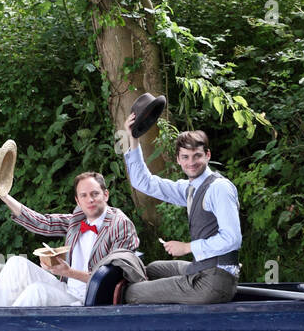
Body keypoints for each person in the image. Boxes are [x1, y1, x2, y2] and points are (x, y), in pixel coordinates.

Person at [98, 114, 241, 304]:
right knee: (152, 269)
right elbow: (144, 183)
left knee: (132, 293)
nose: (191, 162)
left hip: (214, 282)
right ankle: (156, 294)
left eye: (197, 156)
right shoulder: (191, 188)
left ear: (208, 155)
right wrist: (132, 139)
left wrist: (186, 247)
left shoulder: (218, 188)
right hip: (203, 268)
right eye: (185, 157)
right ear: (178, 160)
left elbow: (232, 239)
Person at [0, 169, 140, 307]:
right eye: (83, 196)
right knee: (17, 263)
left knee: (38, 291)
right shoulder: (78, 220)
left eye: (95, 194)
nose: (90, 200)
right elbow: (43, 223)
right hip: (67, 290)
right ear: (78, 201)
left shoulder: (120, 225)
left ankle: (0, 328)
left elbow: (112, 279)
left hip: (89, 300)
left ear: (106, 195)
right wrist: (3, 195)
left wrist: (69, 272)